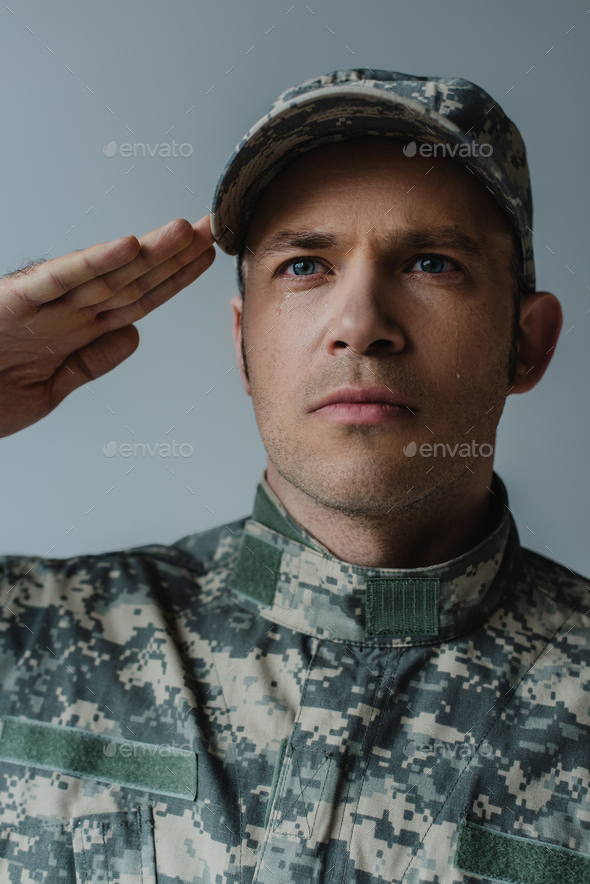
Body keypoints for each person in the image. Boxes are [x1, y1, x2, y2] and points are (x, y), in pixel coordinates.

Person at [0, 68, 587, 884]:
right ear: (243, 343)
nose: (360, 325)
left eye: (431, 262)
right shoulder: (34, 636)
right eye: (306, 265)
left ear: (528, 344)